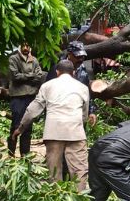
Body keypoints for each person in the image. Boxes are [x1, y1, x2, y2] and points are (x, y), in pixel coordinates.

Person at [13, 60, 90, 190]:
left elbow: (33, 110)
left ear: (57, 72)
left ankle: (56, 200)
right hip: (75, 133)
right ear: (74, 72)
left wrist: (21, 128)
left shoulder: (47, 86)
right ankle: (80, 200)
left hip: (53, 132)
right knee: (79, 170)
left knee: (54, 171)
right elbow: (84, 113)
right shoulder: (83, 87)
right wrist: (79, 126)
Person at [46, 41, 97, 127]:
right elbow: (47, 93)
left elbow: (87, 93)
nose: (80, 59)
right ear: (69, 55)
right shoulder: (57, 69)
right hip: (59, 116)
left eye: (82, 56)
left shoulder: (83, 71)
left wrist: (90, 111)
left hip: (77, 116)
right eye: (78, 56)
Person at [7, 43, 43, 156]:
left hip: (31, 97)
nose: (26, 48)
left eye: (28, 46)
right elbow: (15, 77)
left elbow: (39, 77)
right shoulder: (13, 58)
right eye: (24, 46)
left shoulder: (34, 60)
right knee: (16, 125)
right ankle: (11, 153)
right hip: (17, 97)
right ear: (19, 47)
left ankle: (25, 155)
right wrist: (31, 76)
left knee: (27, 126)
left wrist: (25, 76)